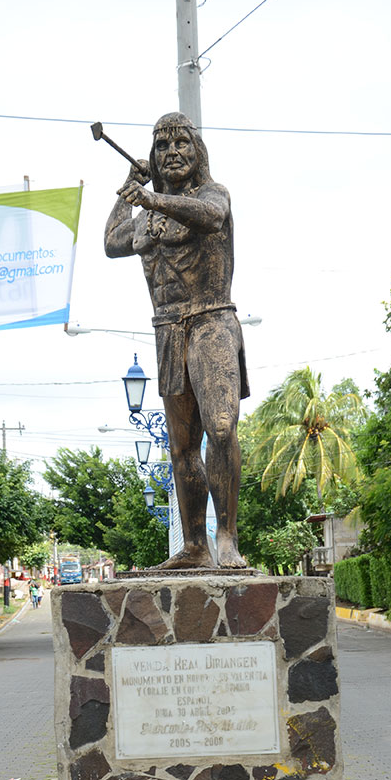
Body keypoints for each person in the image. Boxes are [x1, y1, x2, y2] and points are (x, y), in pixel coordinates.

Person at [104, 112, 248, 569]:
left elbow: (211, 216)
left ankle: (226, 537)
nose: (172, 152)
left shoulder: (212, 194)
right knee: (182, 447)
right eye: (162, 146)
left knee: (221, 428)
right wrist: (127, 193)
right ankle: (194, 546)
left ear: (198, 151)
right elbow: (111, 242)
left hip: (211, 321)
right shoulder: (147, 219)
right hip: (167, 329)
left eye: (181, 143)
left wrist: (153, 199)